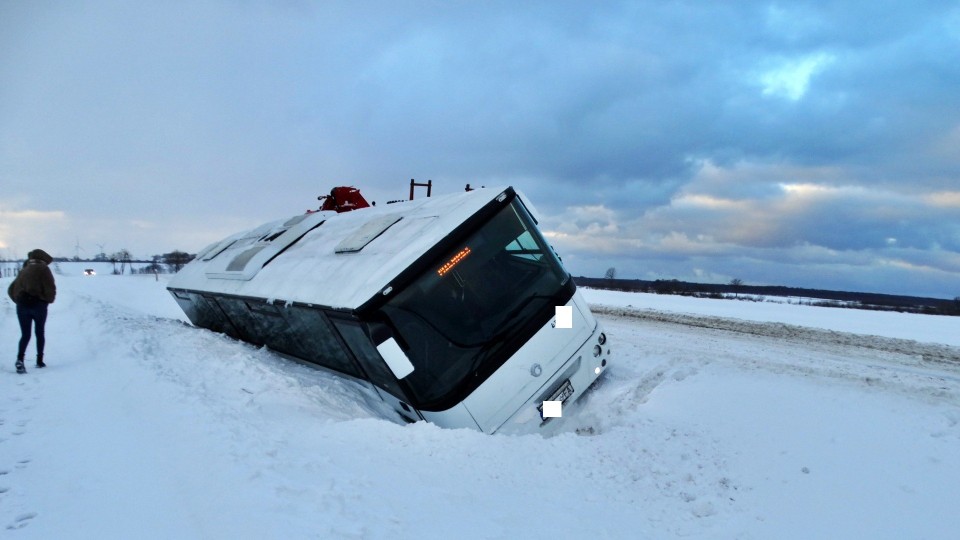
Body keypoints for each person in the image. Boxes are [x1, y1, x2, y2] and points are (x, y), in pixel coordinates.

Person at [7, 249, 56, 373]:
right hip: (39, 306)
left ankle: (20, 360)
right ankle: (39, 361)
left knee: (25, 334)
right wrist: (46, 300)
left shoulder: (24, 270)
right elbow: (50, 288)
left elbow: (11, 289)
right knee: (39, 332)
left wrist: (18, 301)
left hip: (22, 306)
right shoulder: (44, 269)